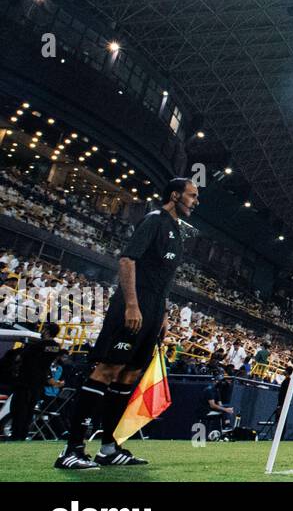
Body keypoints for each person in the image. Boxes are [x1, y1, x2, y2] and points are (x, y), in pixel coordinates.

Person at [56, 177, 197, 469]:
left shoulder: (176, 230)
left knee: (129, 375)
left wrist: (164, 316)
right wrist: (132, 305)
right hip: (133, 308)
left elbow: (163, 277)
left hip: (154, 313)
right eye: (192, 196)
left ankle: (109, 448)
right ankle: (72, 450)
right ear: (175, 195)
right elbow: (127, 260)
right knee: (108, 370)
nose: (195, 202)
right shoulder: (154, 220)